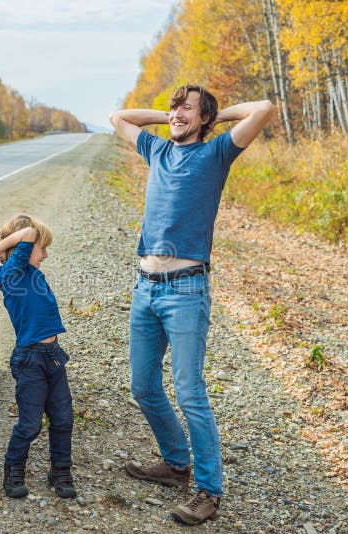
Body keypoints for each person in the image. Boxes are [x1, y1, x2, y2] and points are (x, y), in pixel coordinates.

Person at [109, 85, 275, 525]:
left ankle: (209, 491)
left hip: (185, 291)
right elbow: (119, 118)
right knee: (142, 386)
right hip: (145, 286)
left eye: (187, 108)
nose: (177, 113)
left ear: (206, 119)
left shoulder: (217, 153)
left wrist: (214, 119)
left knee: (190, 392)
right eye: (174, 106)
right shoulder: (158, 151)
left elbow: (263, 107)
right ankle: (175, 462)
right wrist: (173, 119)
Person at [0, 214, 76, 499]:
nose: (46, 254)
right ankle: (13, 469)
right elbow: (27, 231)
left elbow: (28, 237)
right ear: (22, 250)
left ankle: (60, 470)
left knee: (63, 418)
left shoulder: (32, 274)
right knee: (29, 424)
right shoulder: (10, 275)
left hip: (52, 357)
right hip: (29, 360)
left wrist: (12, 245)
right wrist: (5, 244)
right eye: (42, 248)